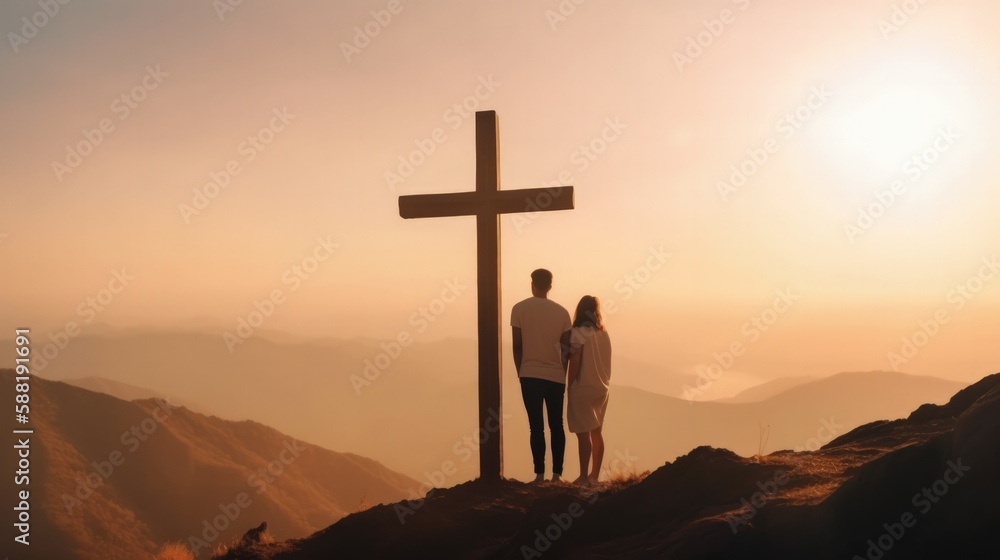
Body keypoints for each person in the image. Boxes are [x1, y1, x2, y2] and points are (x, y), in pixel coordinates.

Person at [511, 269, 572, 483]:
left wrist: (521, 371)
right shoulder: (563, 313)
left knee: (535, 426)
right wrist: (561, 373)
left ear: (532, 284)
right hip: (555, 376)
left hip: (529, 374)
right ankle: (557, 475)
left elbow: (517, 346)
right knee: (557, 425)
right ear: (550, 286)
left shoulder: (519, 309)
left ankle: (539, 474)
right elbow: (566, 350)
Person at [566, 295, 612, 486]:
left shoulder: (578, 332)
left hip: (583, 387)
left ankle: (583, 476)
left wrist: (569, 385)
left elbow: (575, 360)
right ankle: (595, 475)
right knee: (597, 432)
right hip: (602, 388)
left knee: (583, 434)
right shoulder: (603, 333)